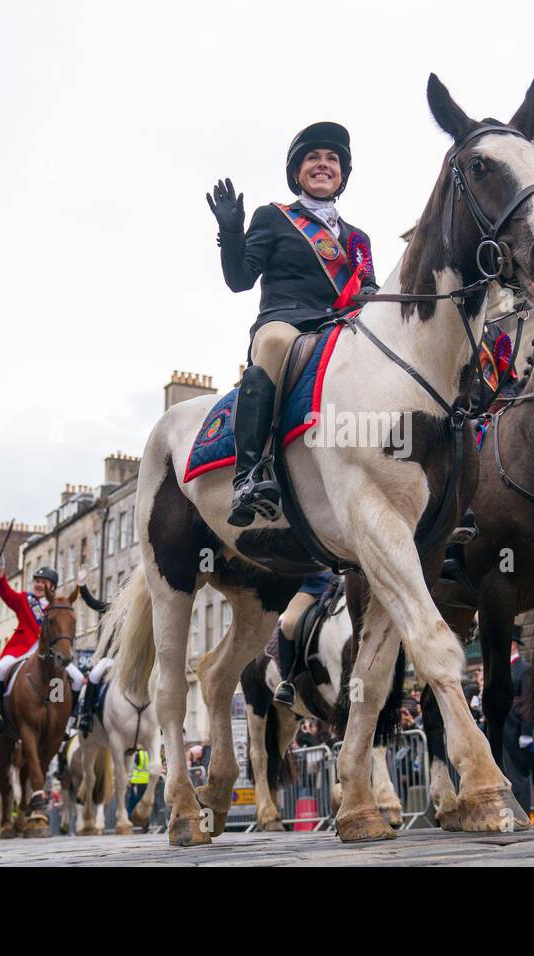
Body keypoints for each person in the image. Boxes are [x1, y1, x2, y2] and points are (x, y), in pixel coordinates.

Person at [207, 122, 377, 528]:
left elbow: (368, 289)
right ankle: (248, 475)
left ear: (342, 173)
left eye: (331, 159)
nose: (323, 165)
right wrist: (232, 233)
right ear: (298, 173)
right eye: (313, 159)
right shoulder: (274, 217)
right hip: (287, 322)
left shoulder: (357, 239)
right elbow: (239, 280)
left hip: (344, 327)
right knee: (276, 344)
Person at [0, 555, 84, 739]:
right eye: (37, 581)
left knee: (76, 679)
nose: (38, 585)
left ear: (52, 586)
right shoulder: (24, 599)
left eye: (43, 582)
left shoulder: (59, 604)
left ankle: (66, 721)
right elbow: (4, 591)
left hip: (53, 652)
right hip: (22, 649)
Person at [272, 571, 339, 708]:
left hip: (347, 585)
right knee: (288, 624)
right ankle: (287, 682)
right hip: (311, 588)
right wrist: (329, 576)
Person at [73, 567, 113, 735]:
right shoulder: (111, 608)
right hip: (111, 658)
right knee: (95, 675)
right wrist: (82, 585)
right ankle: (87, 715)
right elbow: (91, 602)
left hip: (134, 660)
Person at [502, 627, 534, 815]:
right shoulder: (505, 668)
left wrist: (526, 732)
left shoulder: (524, 669)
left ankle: (523, 814)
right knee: (507, 776)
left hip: (516, 731)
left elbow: (528, 702)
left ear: (513, 645)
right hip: (504, 731)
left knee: (518, 778)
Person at [125, 747, 151, 824]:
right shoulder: (148, 753)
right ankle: (146, 823)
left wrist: (128, 778)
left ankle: (129, 820)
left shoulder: (136, 754)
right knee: (144, 804)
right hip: (146, 782)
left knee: (132, 803)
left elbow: (132, 767)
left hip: (136, 782)